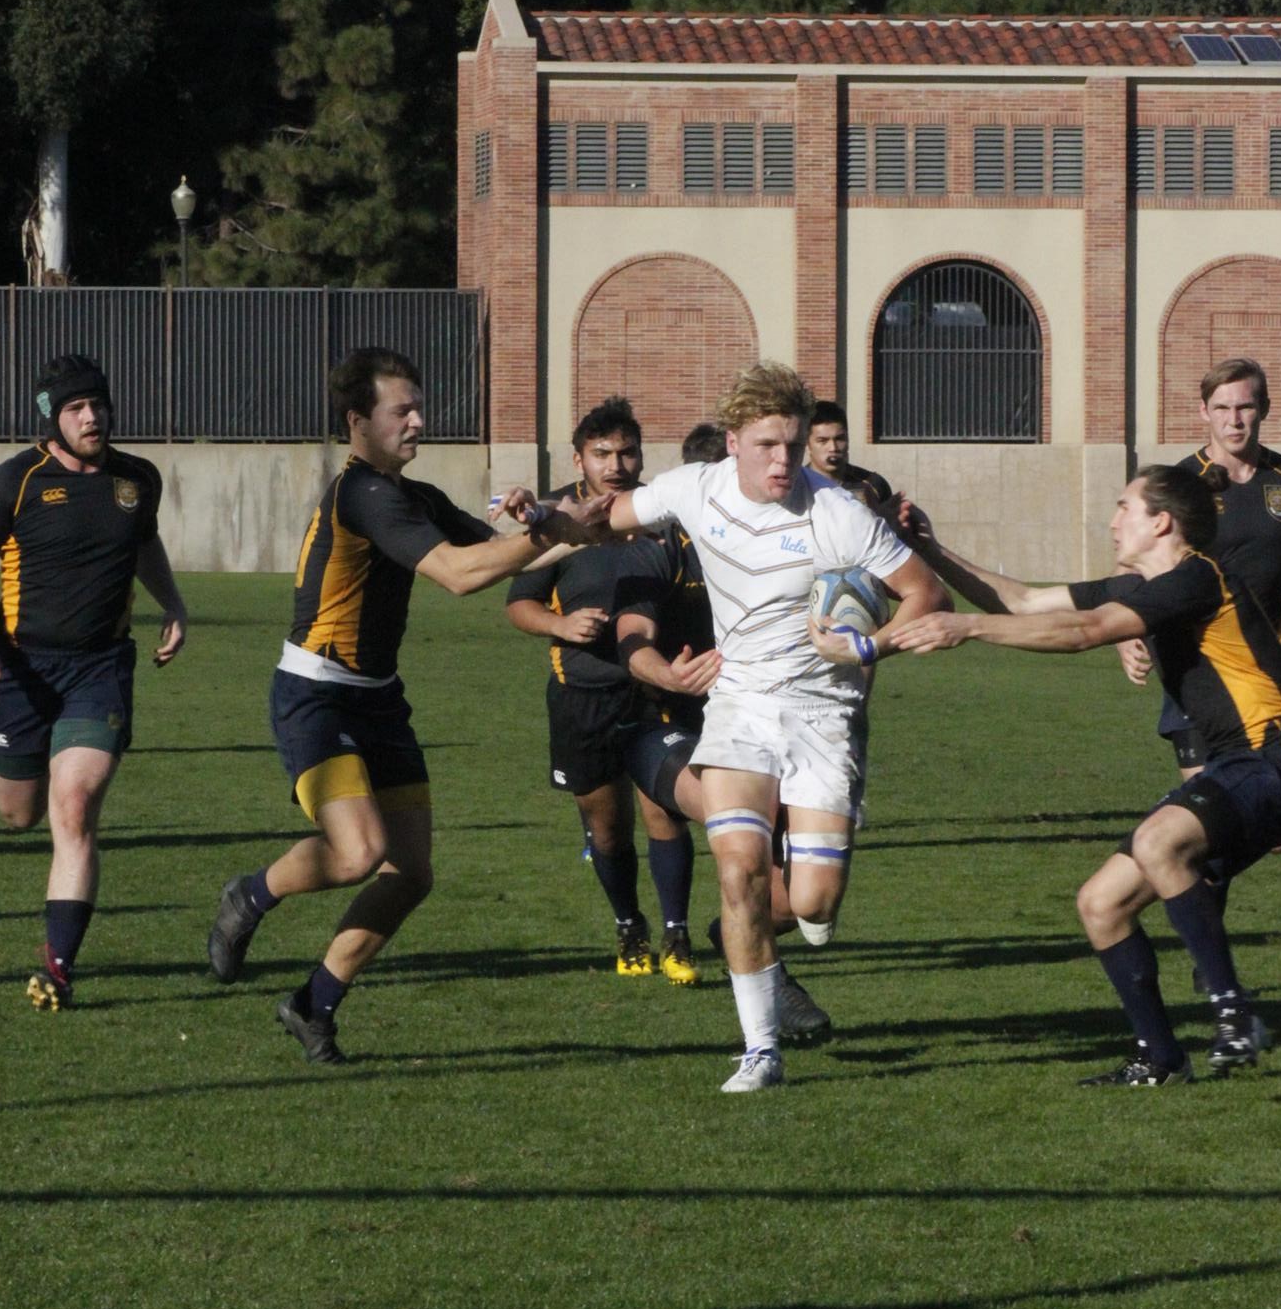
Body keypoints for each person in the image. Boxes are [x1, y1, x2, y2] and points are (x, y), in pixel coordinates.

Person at [206, 347, 604, 1064]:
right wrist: (543, 532)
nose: (419, 420)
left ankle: (311, 1004)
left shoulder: (411, 495)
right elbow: (458, 575)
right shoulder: (363, 493)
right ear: (359, 421)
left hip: (378, 701)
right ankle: (252, 893)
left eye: (418, 406)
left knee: (411, 872)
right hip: (315, 696)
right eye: (402, 410)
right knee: (359, 852)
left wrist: (560, 519)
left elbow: (508, 553)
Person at [893, 465, 1281, 1084]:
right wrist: (929, 550)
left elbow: (1084, 632)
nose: (1113, 519)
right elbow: (1025, 600)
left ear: (1161, 521)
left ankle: (1234, 1011)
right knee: (1101, 903)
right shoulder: (1151, 585)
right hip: (1240, 766)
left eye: (1124, 507)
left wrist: (968, 628)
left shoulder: (1196, 577)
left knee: (1157, 842)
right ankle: (1162, 1058)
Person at [607, 360, 948, 1093]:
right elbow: (603, 516)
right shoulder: (693, 488)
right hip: (740, 708)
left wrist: (867, 645)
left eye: (792, 445)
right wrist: (543, 519)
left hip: (823, 714)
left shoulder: (837, 513)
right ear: (732, 442)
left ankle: (748, 934)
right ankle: (759, 1049)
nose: (783, 461)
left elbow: (924, 592)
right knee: (738, 869)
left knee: (814, 901)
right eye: (767, 445)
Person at [0, 354, 187, 1010]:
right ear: (50, 417)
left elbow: (142, 543)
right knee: (17, 815)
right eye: (75, 408)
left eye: (97, 404)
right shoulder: (12, 484)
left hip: (100, 667)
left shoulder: (136, 480)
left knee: (73, 810)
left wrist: (174, 605)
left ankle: (58, 967)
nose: (92, 417)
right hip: (20, 671)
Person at [505, 398, 712, 983]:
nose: (616, 464)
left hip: (658, 692)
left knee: (665, 812)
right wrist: (559, 626)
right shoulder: (559, 525)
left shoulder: (662, 517)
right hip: (583, 696)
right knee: (607, 828)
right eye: (602, 454)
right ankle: (629, 926)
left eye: (627, 452)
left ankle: (677, 934)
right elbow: (518, 605)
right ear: (579, 458)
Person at [1120, 359, 1281, 779]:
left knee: (1271, 826)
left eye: (1245, 407)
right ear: (1204, 411)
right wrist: (1126, 633)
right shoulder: (1179, 484)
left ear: (1264, 408)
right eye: (1222, 408)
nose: (1234, 420)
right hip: (1195, 664)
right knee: (1213, 812)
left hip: (1268, 667)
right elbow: (1134, 564)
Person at [804, 399, 892, 510]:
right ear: (807, 444)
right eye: (823, 440)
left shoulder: (873, 484)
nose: (833, 448)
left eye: (839, 439)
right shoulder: (795, 488)